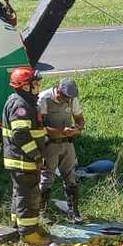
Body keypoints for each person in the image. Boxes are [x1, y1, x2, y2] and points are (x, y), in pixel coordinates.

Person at [2, 66, 51, 246]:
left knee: (20, 192)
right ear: (24, 86)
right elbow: (20, 135)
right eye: (35, 84)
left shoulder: (23, 100)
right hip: (23, 160)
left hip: (20, 159)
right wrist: (37, 155)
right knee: (28, 195)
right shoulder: (21, 105)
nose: (38, 87)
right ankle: (29, 233)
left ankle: (18, 225)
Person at [38, 77, 85, 224]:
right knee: (47, 178)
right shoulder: (44, 99)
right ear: (57, 89)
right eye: (63, 97)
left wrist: (77, 128)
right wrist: (60, 131)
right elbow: (40, 126)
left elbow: (79, 118)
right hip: (50, 144)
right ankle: (41, 213)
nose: (66, 100)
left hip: (67, 143)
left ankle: (74, 212)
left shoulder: (72, 99)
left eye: (68, 99)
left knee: (71, 177)